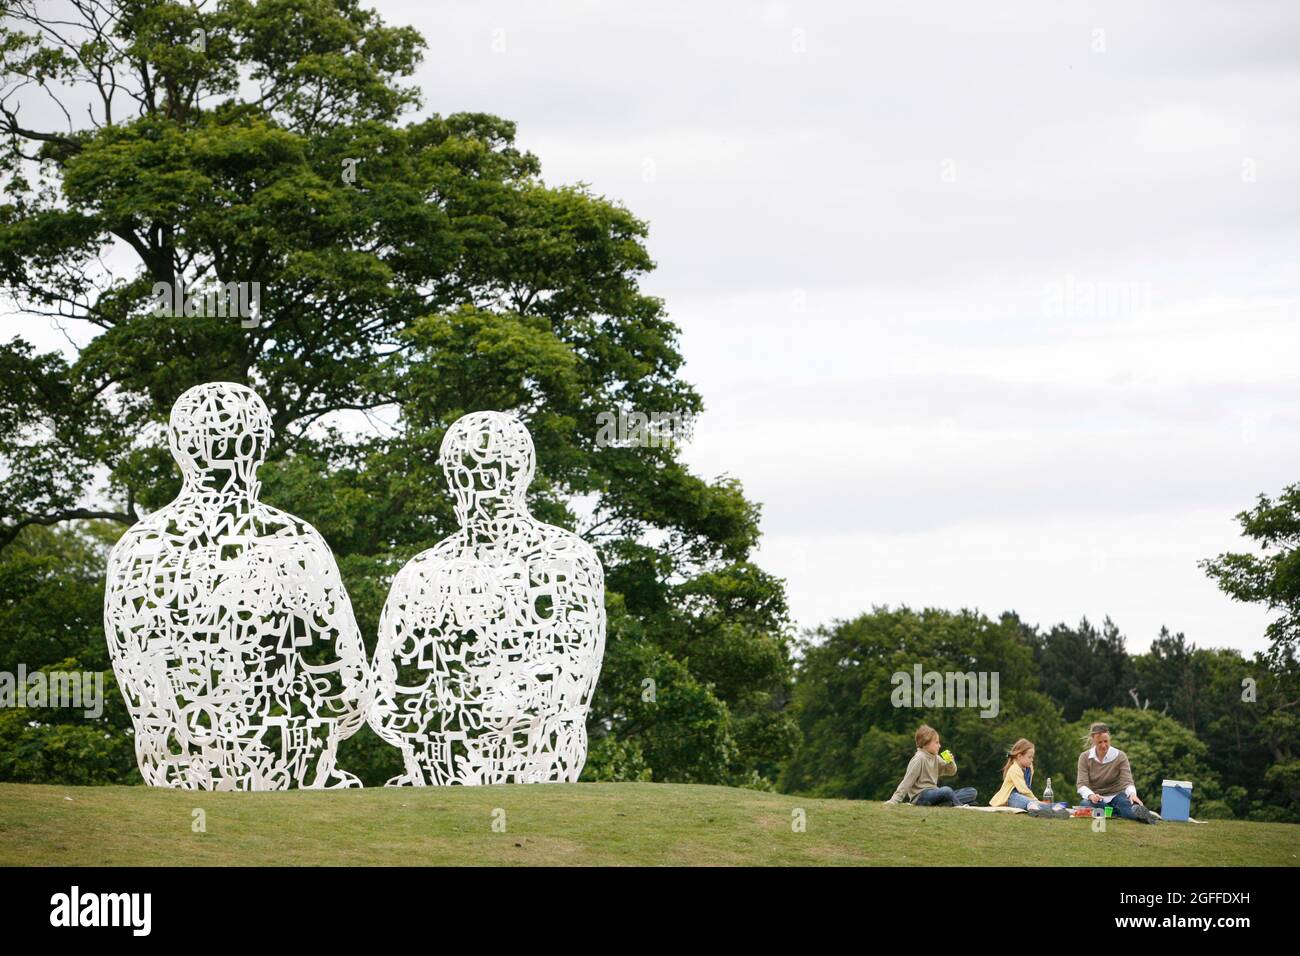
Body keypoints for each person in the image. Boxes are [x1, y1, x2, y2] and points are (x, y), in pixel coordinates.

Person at [1075, 721, 1158, 824]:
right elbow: (1081, 784)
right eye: (1099, 742)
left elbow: (1127, 781)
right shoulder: (1084, 757)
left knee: (1128, 812)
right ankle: (1117, 811)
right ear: (1093, 741)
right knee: (1084, 803)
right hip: (1096, 799)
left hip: (1116, 795)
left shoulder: (1120, 756)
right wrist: (1091, 795)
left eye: (1106, 741)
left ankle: (1140, 815)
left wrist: (1132, 794)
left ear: (1110, 739)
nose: (1104, 745)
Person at [885, 724, 977, 806]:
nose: (939, 745)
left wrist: (950, 762)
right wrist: (894, 800)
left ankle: (947, 803)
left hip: (934, 793)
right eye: (936, 742)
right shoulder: (919, 759)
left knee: (972, 792)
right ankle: (959, 806)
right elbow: (907, 781)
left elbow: (951, 772)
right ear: (926, 743)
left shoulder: (935, 757)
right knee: (947, 791)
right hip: (921, 797)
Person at [990, 738, 1068, 816]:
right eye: (1029, 757)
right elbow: (1023, 789)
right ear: (1019, 756)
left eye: (1032, 757)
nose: (1032, 760)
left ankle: (1052, 809)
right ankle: (1039, 809)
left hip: (1023, 796)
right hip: (1010, 797)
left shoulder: (1029, 767)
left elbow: (1027, 788)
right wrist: (1035, 799)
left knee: (1030, 801)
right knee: (1029, 802)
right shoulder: (1014, 769)